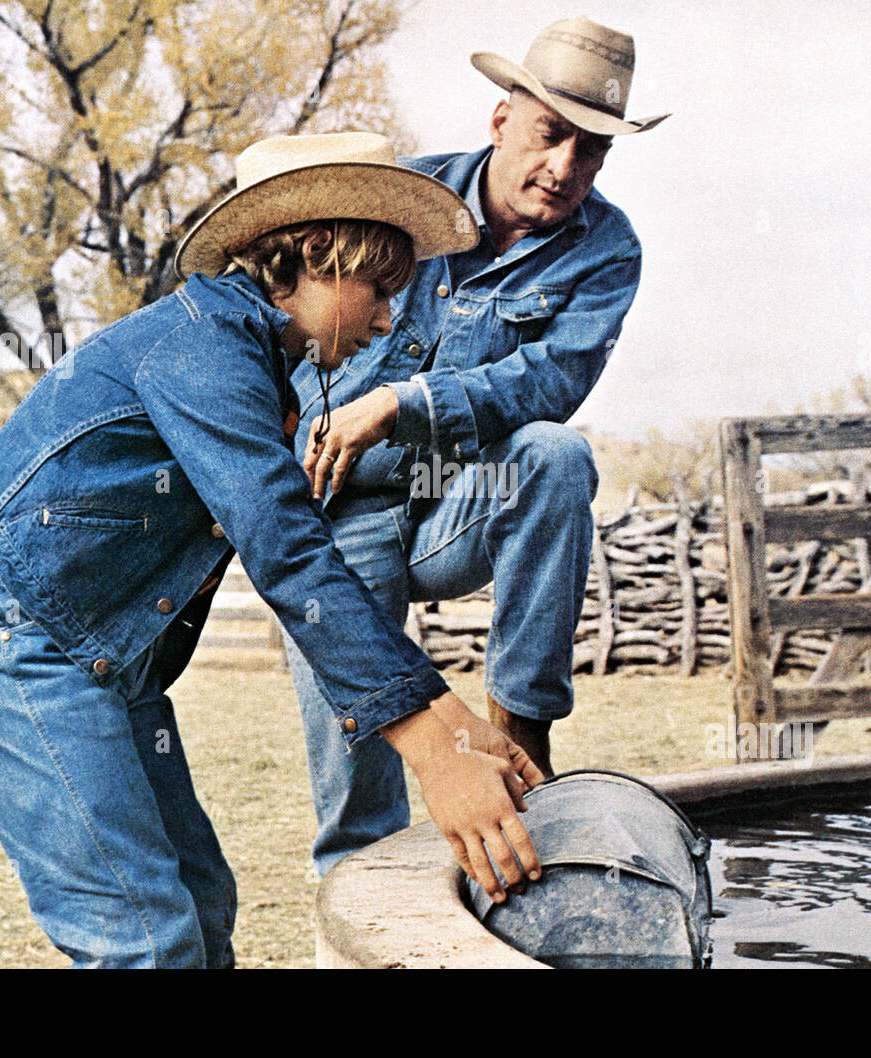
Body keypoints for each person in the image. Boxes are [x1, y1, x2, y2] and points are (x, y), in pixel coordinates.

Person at [0, 132, 543, 969]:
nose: (389, 320)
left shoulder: (244, 358)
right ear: (320, 252)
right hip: (12, 635)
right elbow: (286, 552)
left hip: (101, 652)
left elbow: (301, 549)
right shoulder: (203, 346)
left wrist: (452, 719)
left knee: (202, 905)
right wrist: (431, 750)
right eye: (380, 288)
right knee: (144, 943)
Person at [281, 16, 669, 874]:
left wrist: (402, 401)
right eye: (550, 133)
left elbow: (550, 383)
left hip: (454, 504)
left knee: (554, 455)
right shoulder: (400, 199)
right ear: (502, 120)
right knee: (359, 797)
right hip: (335, 510)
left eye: (593, 150)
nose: (566, 166)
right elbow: (293, 318)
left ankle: (524, 746)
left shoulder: (606, 250)